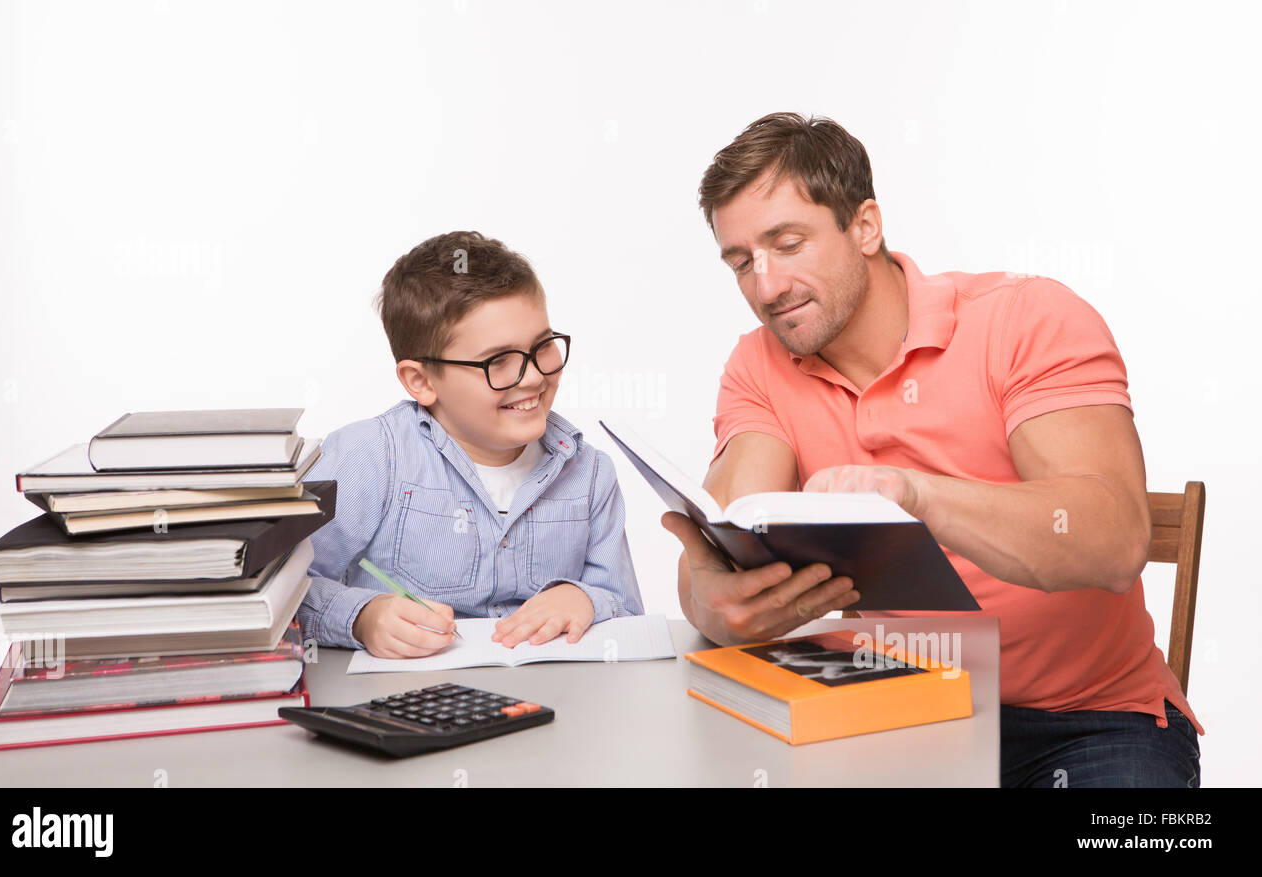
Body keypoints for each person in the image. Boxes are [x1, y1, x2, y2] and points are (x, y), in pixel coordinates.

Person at [662, 112, 1203, 788]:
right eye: (742, 262)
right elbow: (727, 528)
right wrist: (707, 600)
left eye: (788, 243)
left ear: (865, 226)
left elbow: (1115, 539)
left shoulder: (1026, 320)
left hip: (1085, 721)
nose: (766, 288)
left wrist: (917, 495)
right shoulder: (760, 364)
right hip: (890, 707)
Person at [298, 231, 643, 659]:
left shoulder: (590, 474)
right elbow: (282, 589)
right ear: (420, 381)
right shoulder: (369, 457)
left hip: (555, 701)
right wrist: (362, 616)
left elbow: (627, 612)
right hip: (412, 704)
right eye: (498, 362)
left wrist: (587, 600)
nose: (533, 377)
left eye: (542, 346)